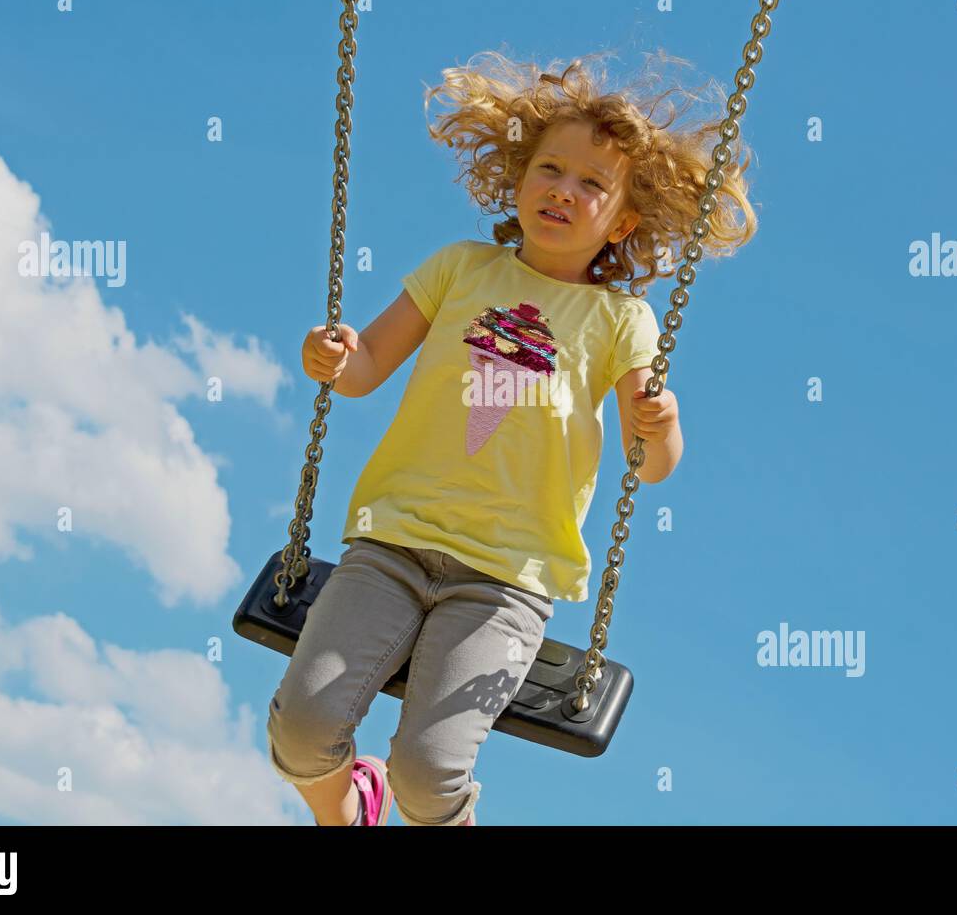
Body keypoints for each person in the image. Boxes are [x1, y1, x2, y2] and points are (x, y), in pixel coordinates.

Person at [266, 49, 757, 826]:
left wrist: (659, 425)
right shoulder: (461, 268)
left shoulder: (619, 320)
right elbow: (361, 370)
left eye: (593, 183)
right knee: (301, 729)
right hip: (392, 543)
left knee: (426, 776)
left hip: (505, 583)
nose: (565, 190)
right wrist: (327, 354)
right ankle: (345, 813)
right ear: (518, 179)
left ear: (623, 220)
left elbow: (649, 465)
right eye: (550, 169)